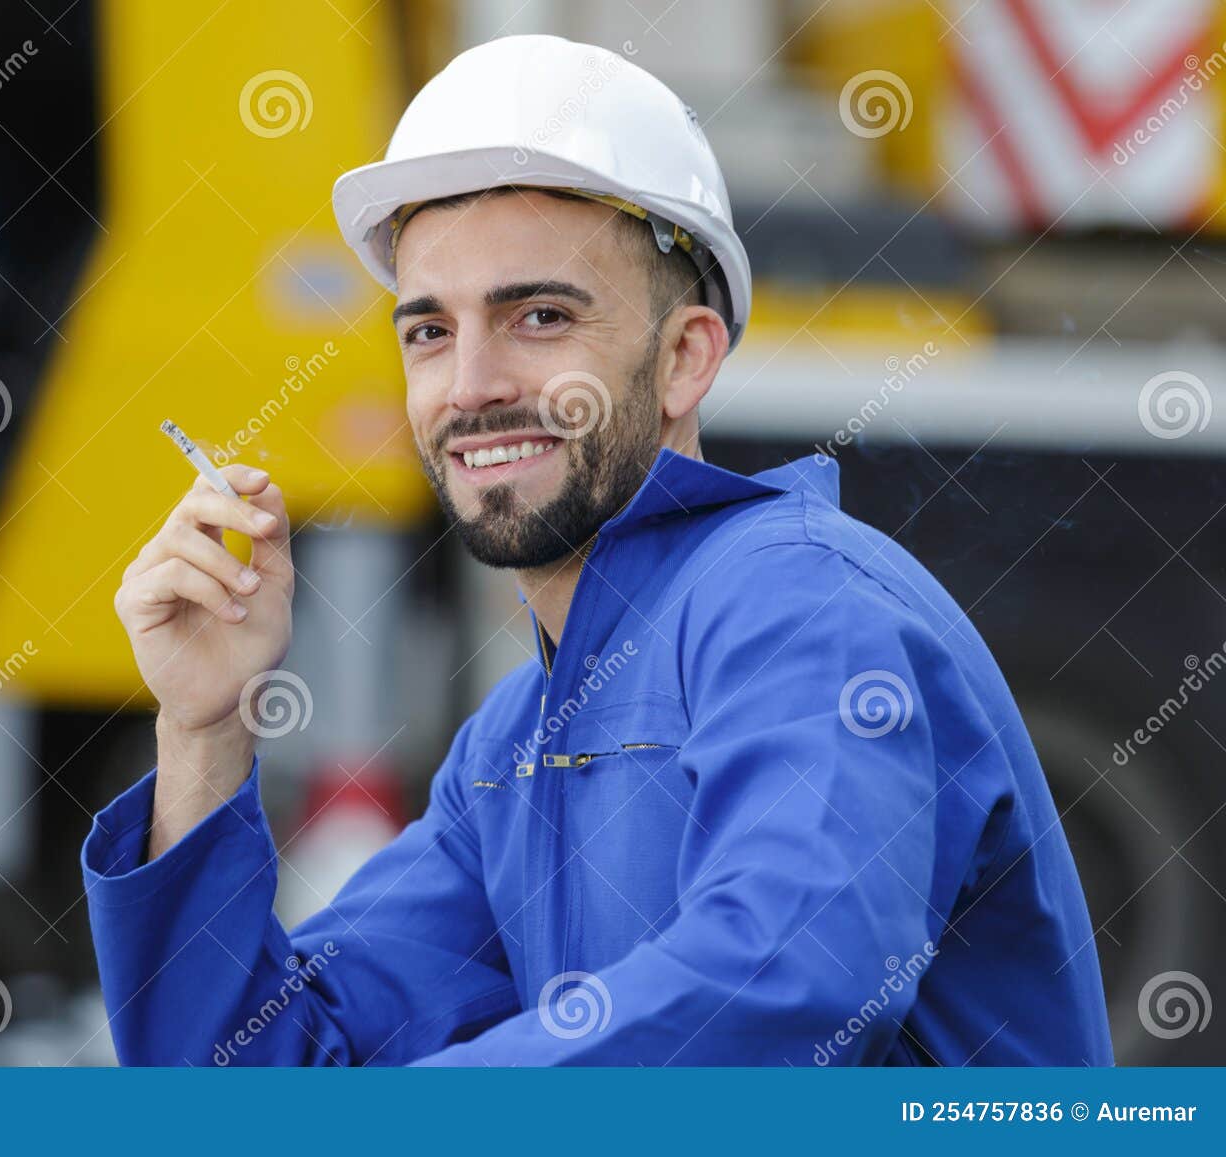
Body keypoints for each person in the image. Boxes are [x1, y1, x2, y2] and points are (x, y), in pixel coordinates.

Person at [82, 34, 1114, 1066]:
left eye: (538, 314)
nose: (473, 382)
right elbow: (248, 1077)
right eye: (429, 332)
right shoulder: (514, 750)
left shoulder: (807, 614)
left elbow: (778, 990)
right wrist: (204, 728)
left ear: (682, 358)